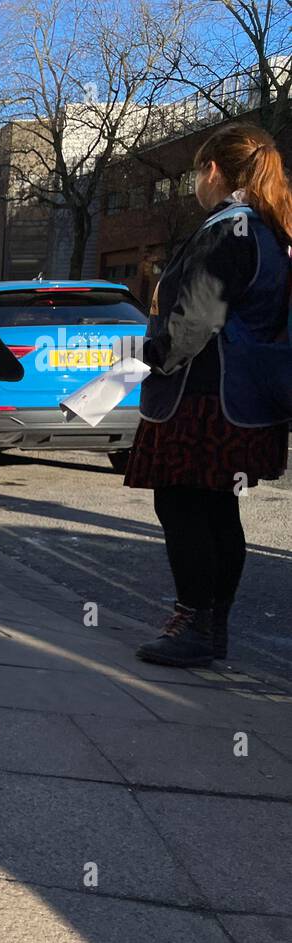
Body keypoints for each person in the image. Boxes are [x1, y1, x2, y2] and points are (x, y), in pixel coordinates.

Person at [125, 123, 291, 667]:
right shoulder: (270, 228)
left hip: (202, 398)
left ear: (212, 170)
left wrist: (139, 361)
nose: (195, 183)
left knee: (184, 506)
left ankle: (196, 625)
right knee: (219, 510)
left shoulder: (227, 228)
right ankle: (209, 626)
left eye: (195, 172)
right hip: (248, 399)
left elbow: (192, 324)